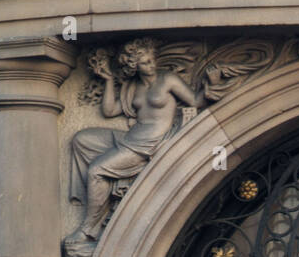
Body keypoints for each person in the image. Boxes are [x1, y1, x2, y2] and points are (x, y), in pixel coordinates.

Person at [67, 38, 214, 243]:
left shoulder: (168, 79)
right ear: (134, 66)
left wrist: (211, 83)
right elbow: (109, 111)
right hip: (131, 138)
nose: (152, 65)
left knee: (96, 171)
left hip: (150, 144)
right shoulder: (133, 87)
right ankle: (92, 201)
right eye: (145, 62)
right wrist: (108, 79)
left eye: (152, 60)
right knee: (81, 139)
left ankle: (89, 228)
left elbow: (195, 101)